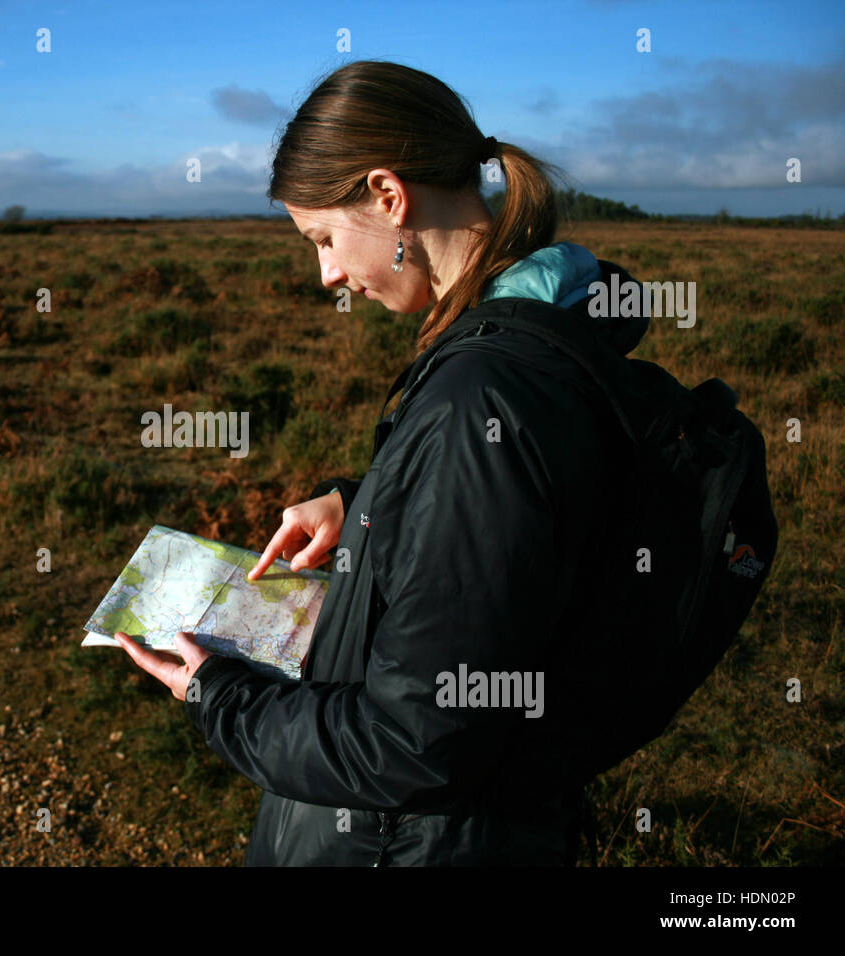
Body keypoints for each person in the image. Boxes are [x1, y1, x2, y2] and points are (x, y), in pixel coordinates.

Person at [115, 59, 649, 865]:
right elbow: (496, 522)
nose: (328, 275)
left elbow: (411, 742)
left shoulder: (483, 389)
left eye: (325, 238)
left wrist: (217, 697)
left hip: (411, 844)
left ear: (389, 196)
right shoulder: (537, 333)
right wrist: (362, 505)